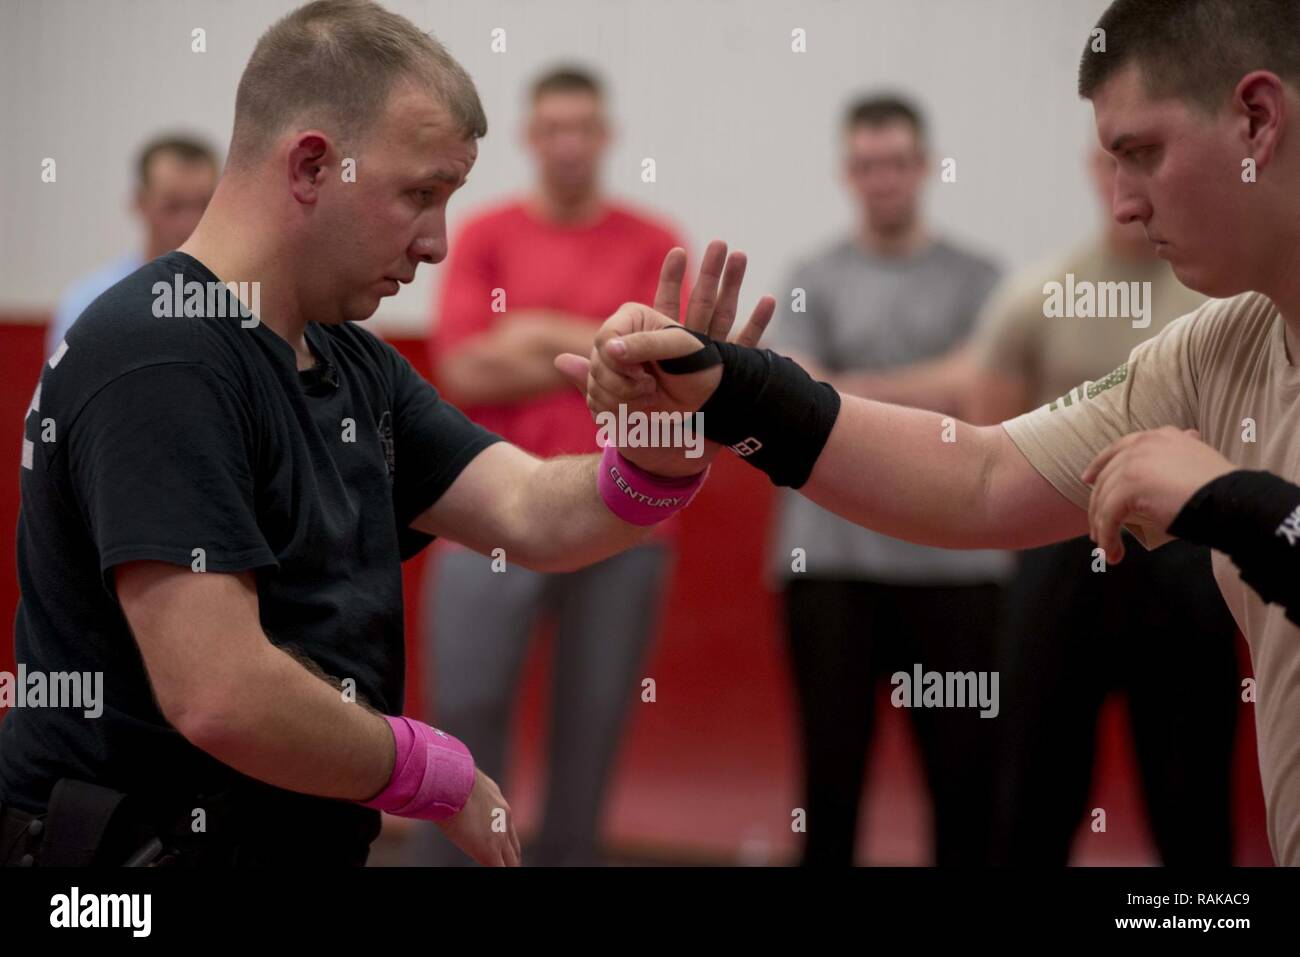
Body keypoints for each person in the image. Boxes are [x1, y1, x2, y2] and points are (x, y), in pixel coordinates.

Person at [0, 0, 770, 868]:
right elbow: (219, 692)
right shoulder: (160, 353)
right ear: (312, 165)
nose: (439, 242)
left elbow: (525, 507)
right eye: (420, 193)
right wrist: (429, 770)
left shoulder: (346, 358)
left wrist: (653, 460)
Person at [563, 0, 1300, 866]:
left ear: (1256, 119)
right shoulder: (1218, 347)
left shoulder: (1004, 283)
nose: (1125, 204)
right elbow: (981, 473)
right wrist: (730, 390)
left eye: (1143, 152)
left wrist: (1234, 506)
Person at [843, 144, 1239, 864]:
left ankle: (1202, 914)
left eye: (1147, 158)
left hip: (1188, 566)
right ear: (1095, 173)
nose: (1128, 184)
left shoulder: (1221, 305)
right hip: (1061, 561)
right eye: (1113, 162)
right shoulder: (1039, 294)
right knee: (1034, 790)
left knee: (1192, 793)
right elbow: (994, 445)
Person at [423, 66, 688, 866]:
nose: (569, 144)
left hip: (626, 519)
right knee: (461, 717)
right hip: (484, 509)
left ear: (605, 137)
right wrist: (592, 343)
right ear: (532, 137)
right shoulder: (482, 234)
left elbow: (660, 378)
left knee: (594, 720)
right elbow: (465, 370)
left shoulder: (653, 241)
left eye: (584, 127)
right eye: (553, 128)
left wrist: (530, 337)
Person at [768, 94, 1008, 866]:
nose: (883, 179)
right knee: (830, 782)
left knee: (966, 785)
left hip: (960, 566)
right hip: (831, 568)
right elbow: (797, 402)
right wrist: (924, 391)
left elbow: (981, 390)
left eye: (897, 162)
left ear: (925, 167)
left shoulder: (981, 277)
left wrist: (846, 391)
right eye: (867, 165)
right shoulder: (809, 275)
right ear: (849, 173)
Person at [47, 135, 218, 358]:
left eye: (204, 204)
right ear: (140, 202)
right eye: (173, 206)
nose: (190, 222)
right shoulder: (90, 301)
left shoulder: (239, 297)